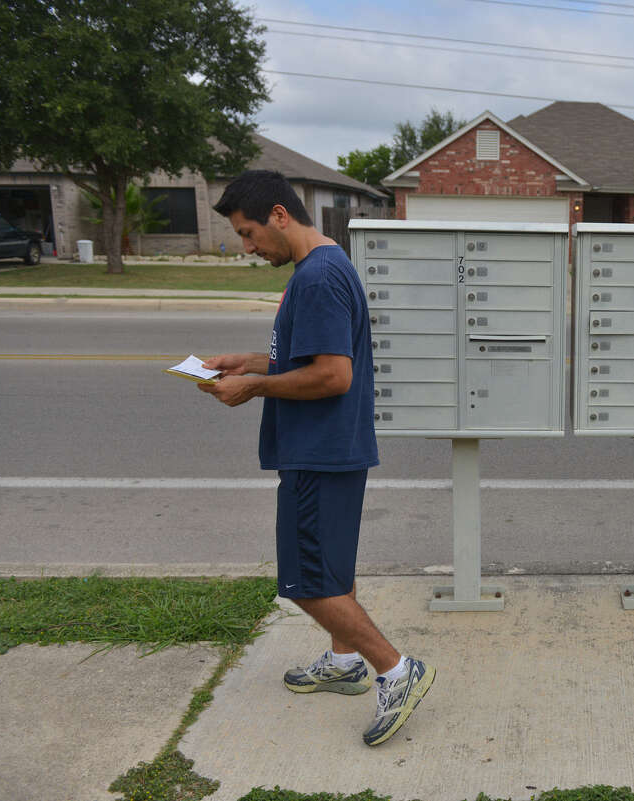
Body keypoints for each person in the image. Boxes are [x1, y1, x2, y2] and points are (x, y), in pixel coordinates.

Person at [200, 170, 434, 747]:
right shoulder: (323, 266)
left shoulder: (319, 278)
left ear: (281, 215)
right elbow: (310, 357)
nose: (250, 248)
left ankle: (396, 669)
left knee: (306, 582)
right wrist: (253, 363)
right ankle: (344, 660)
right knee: (331, 568)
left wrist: (252, 389)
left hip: (320, 450)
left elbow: (333, 375)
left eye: (251, 234)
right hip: (332, 447)